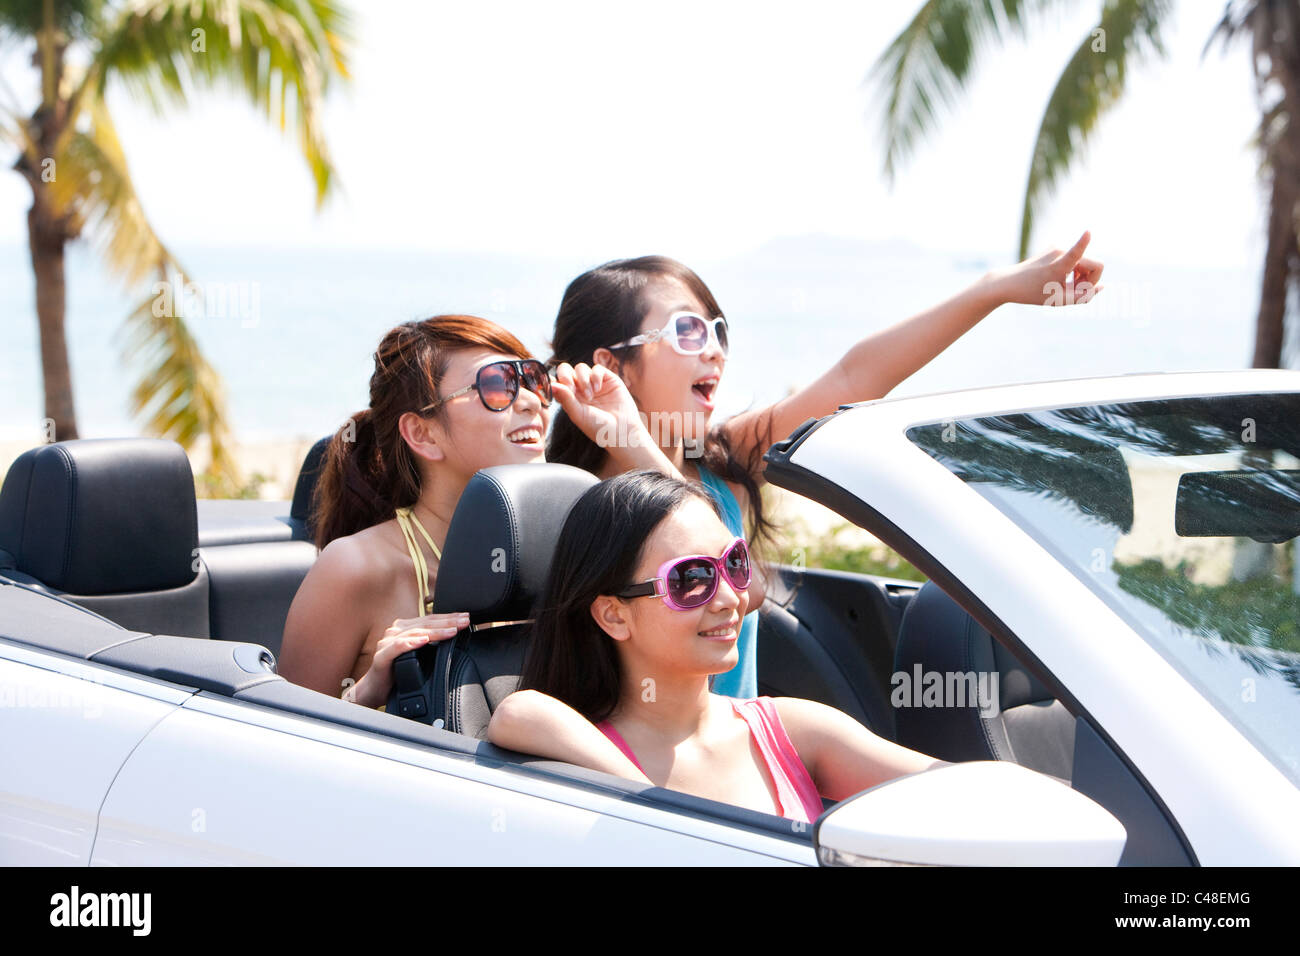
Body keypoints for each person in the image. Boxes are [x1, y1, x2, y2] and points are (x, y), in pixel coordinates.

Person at [545, 237, 1104, 697]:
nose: (715, 350)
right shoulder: (573, 503)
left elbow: (850, 380)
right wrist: (636, 444)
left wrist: (993, 290)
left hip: (737, 756)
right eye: (688, 332)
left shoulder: (723, 460)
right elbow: (744, 586)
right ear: (611, 364)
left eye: (719, 331)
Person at [488, 471, 947, 823]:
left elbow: (959, 794)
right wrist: (655, 805)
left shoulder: (790, 730)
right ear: (613, 615)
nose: (731, 598)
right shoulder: (574, 739)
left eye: (735, 563)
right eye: (692, 579)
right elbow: (519, 713)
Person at [278, 315, 678, 708]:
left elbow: (728, 577)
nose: (530, 401)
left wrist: (628, 436)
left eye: (533, 378)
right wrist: (367, 692)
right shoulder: (356, 567)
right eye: (497, 385)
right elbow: (286, 740)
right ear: (423, 433)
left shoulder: (570, 537)